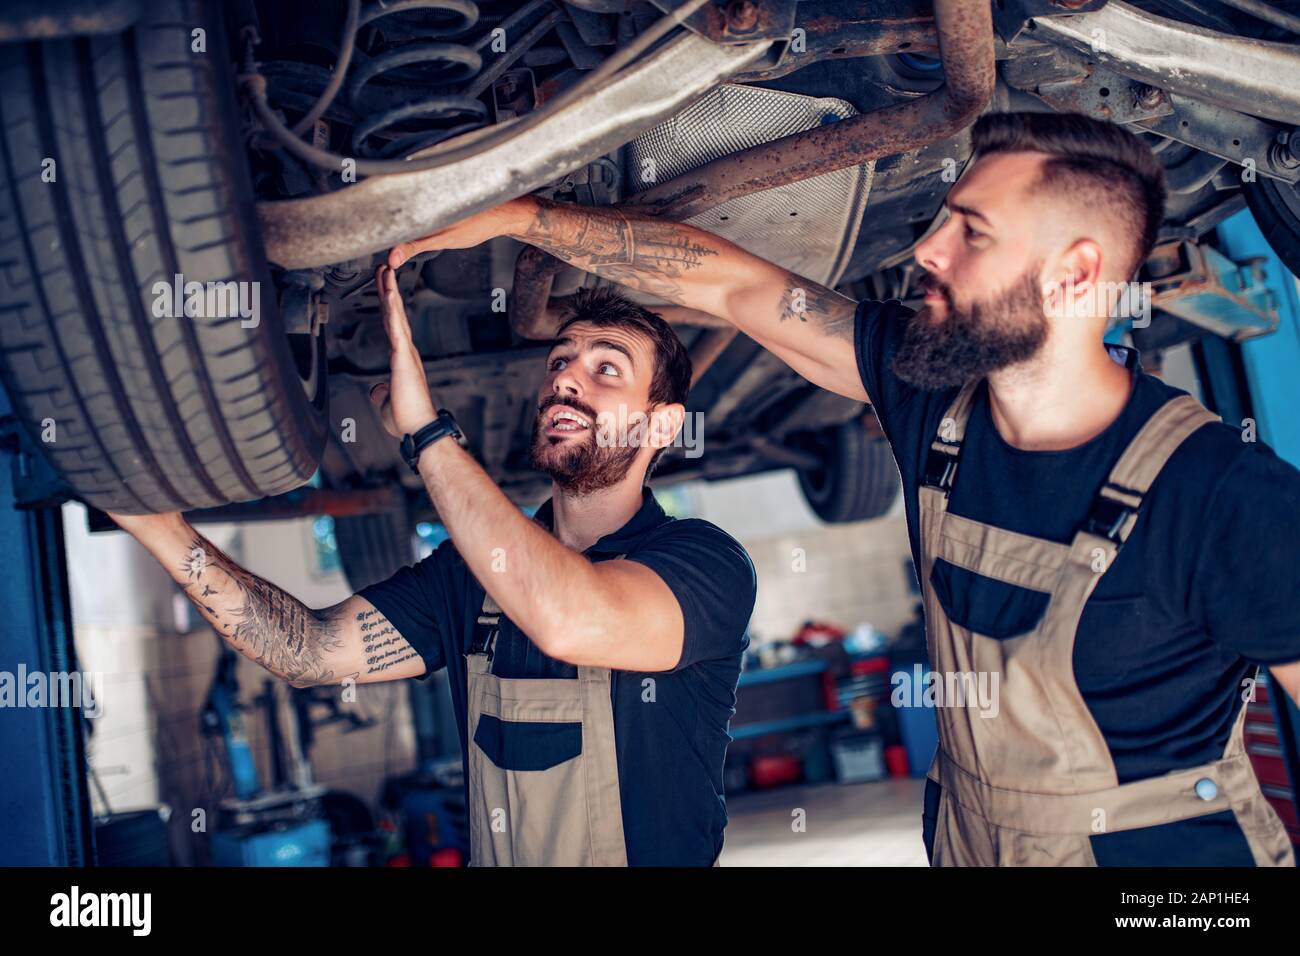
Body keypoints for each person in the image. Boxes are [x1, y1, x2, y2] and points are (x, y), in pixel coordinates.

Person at [390, 110, 1300, 866]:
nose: (928, 249)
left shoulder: (1225, 497)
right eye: (943, 217)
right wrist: (525, 220)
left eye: (971, 232)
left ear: (1076, 274)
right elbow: (735, 286)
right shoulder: (930, 398)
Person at [110, 281, 756, 867]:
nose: (565, 381)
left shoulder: (702, 563)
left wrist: (426, 433)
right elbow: (306, 651)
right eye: (559, 361)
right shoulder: (469, 575)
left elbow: (569, 619)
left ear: (662, 421)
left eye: (605, 369)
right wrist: (154, 523)